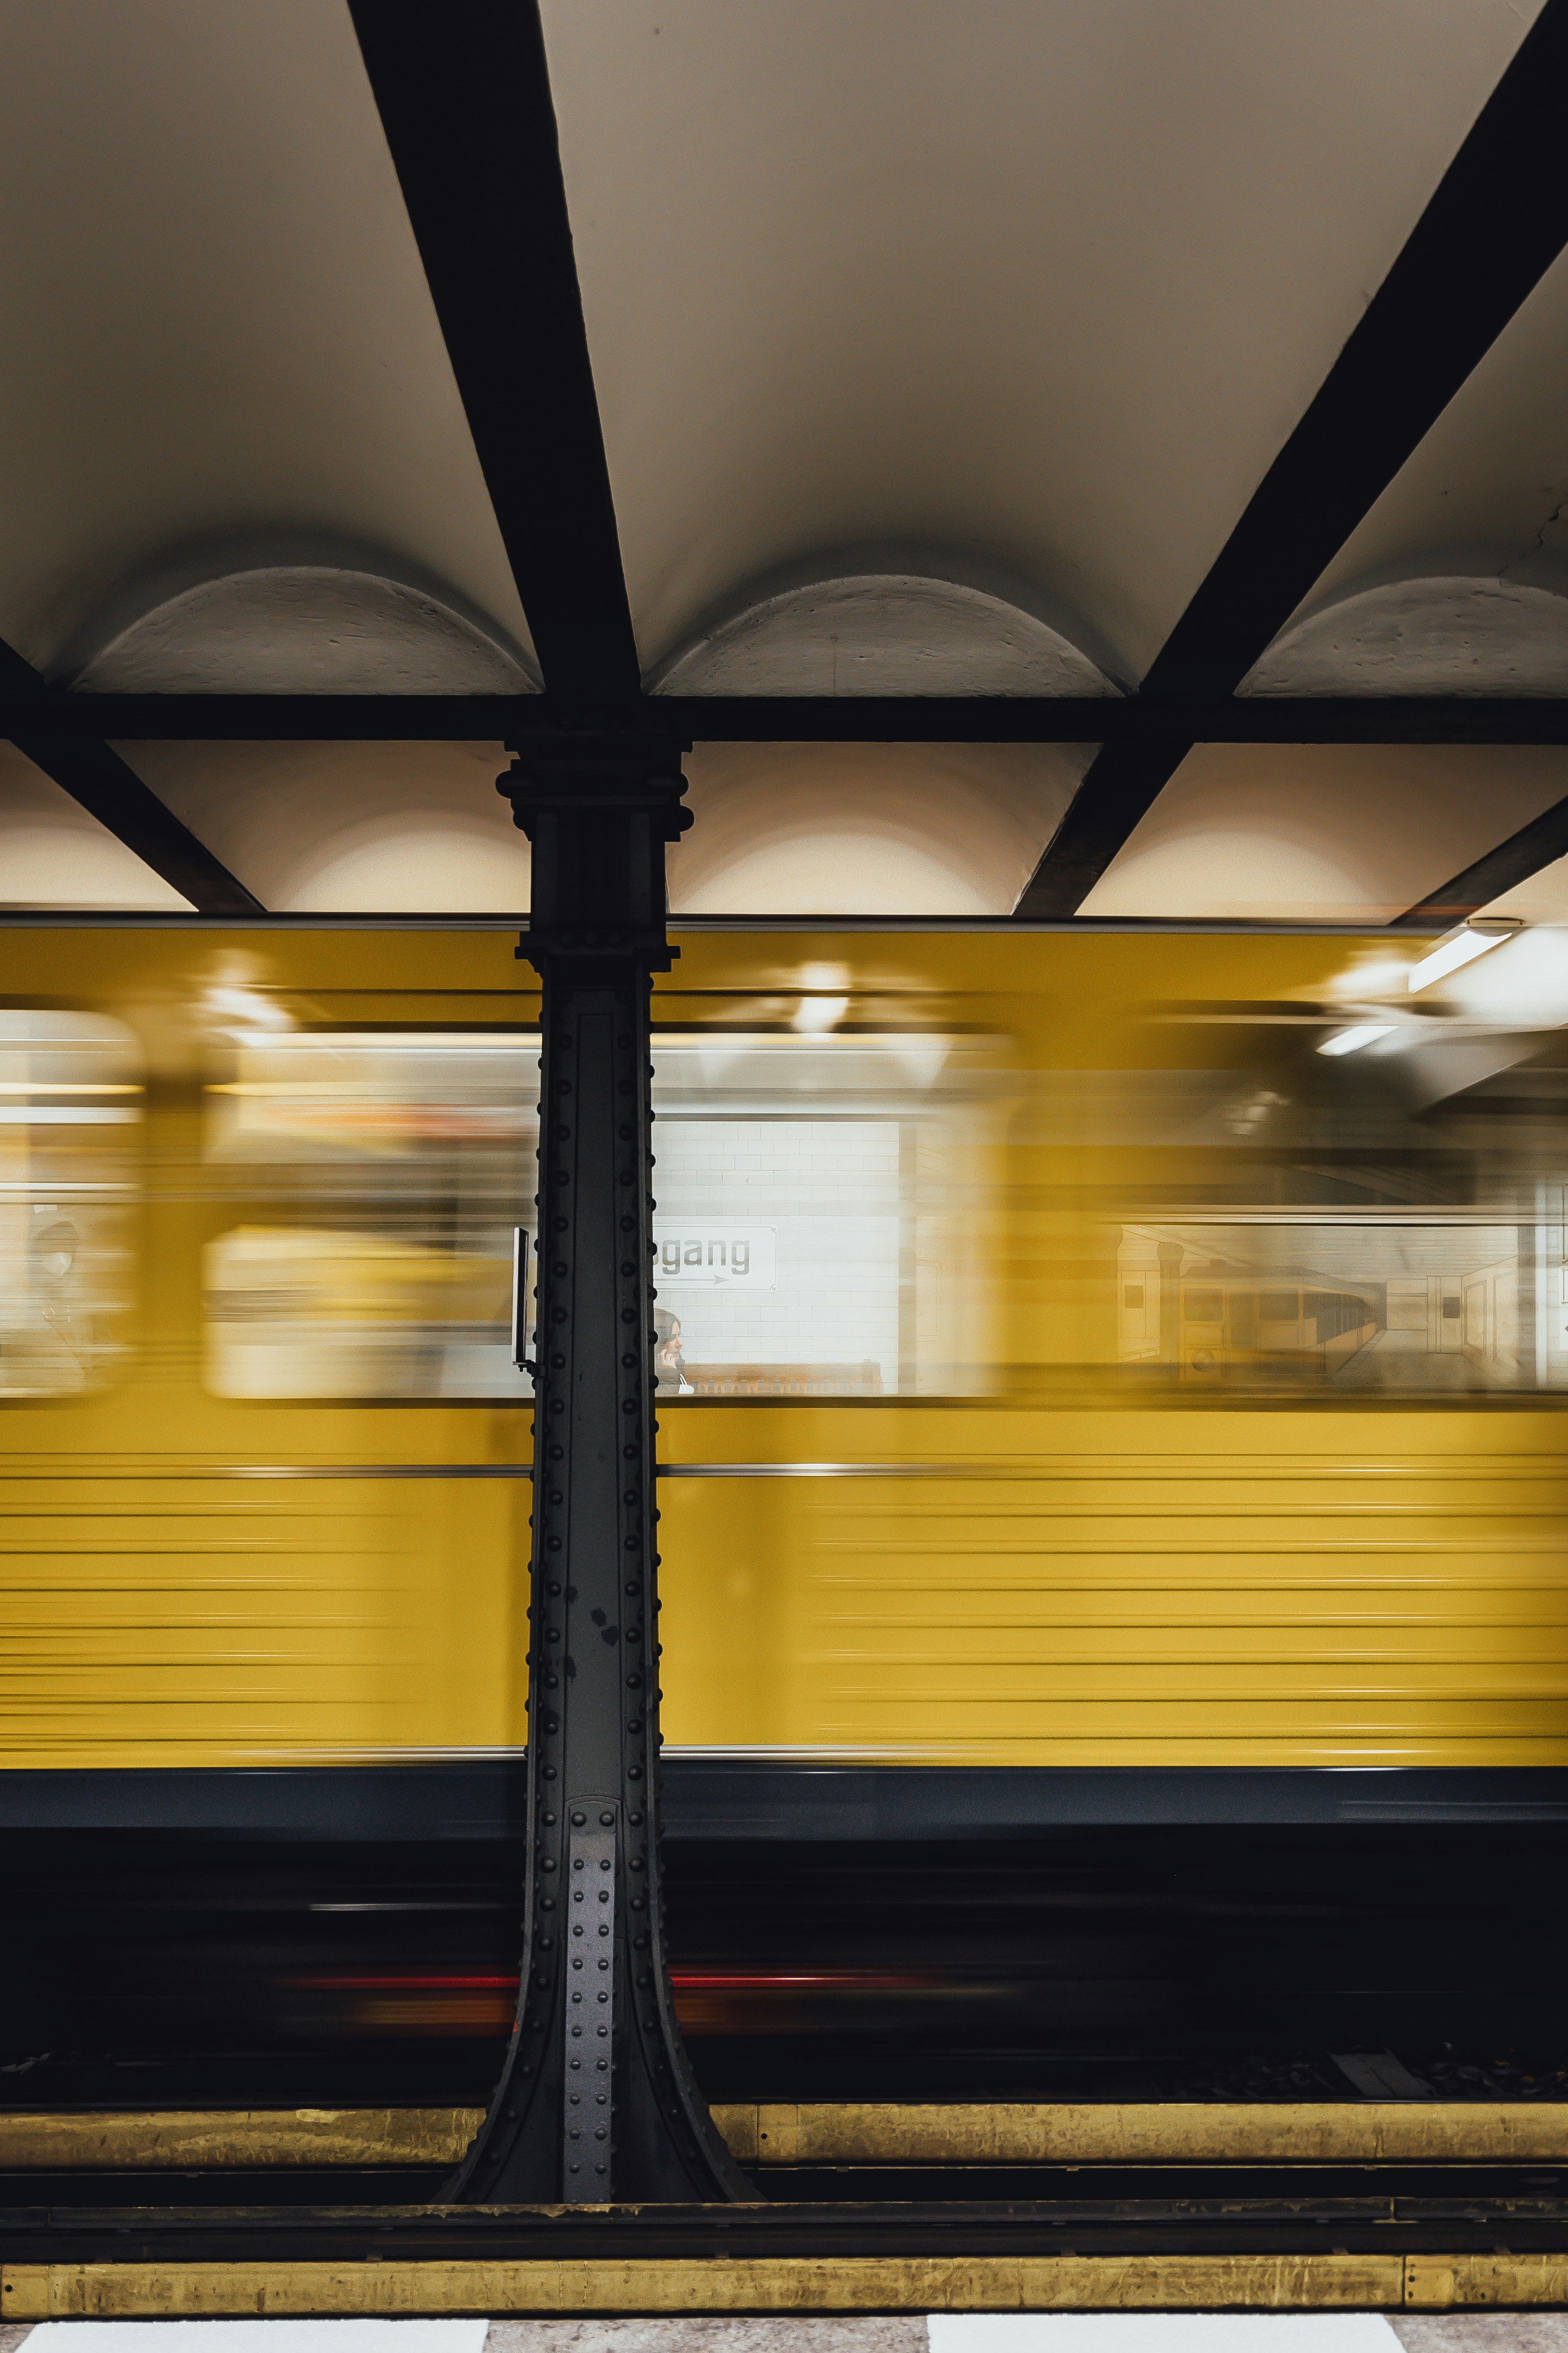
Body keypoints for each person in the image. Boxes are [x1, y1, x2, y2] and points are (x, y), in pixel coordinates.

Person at [654, 1309, 693, 1394]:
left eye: (678, 1335)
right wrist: (670, 1374)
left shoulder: (675, 1362)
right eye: (672, 1337)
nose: (680, 1344)